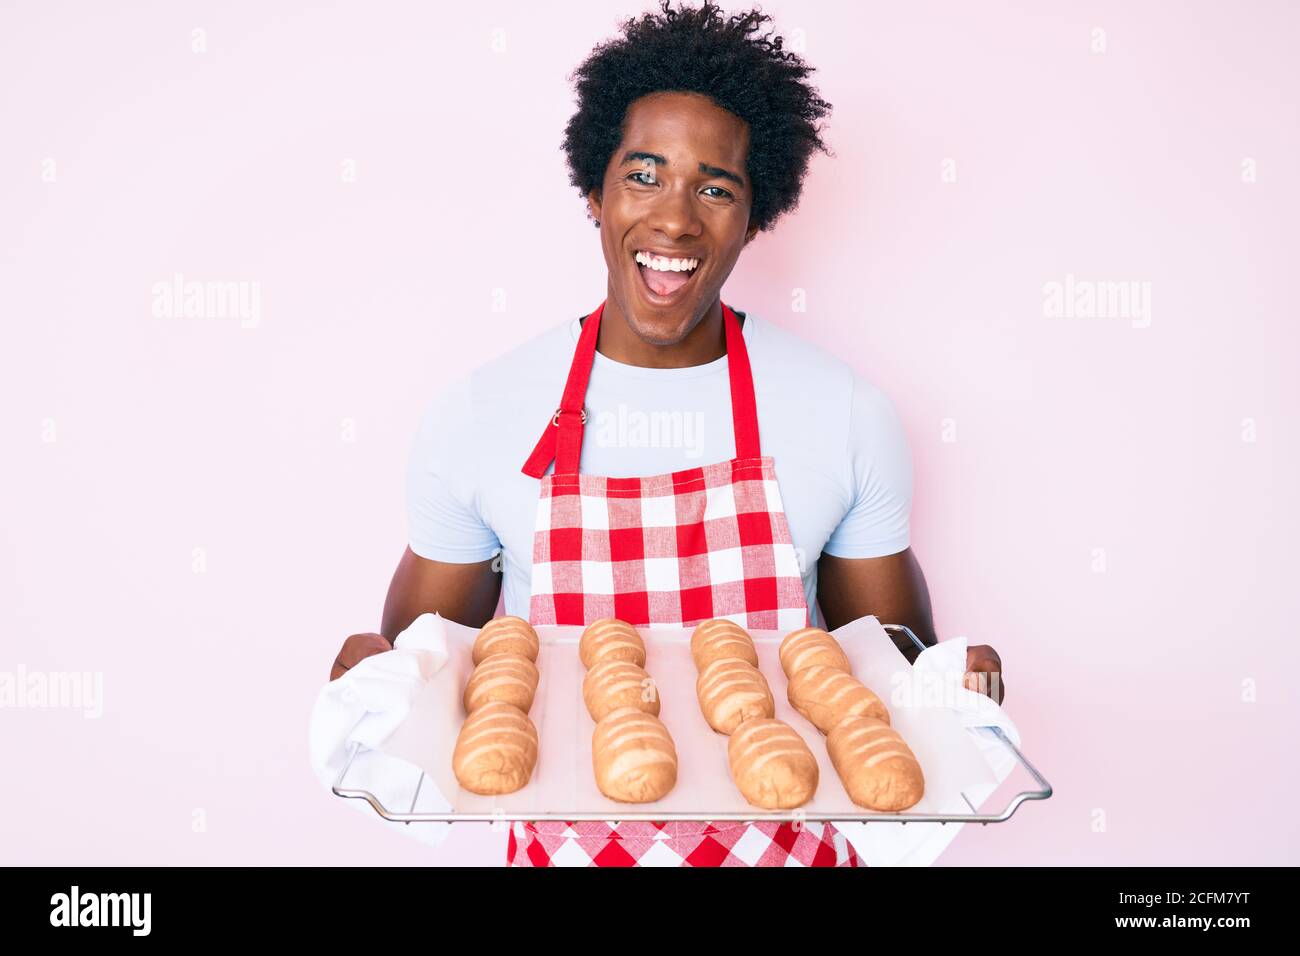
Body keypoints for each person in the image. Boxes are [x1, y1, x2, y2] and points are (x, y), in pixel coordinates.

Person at [329, 0, 1004, 867]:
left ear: (756, 216)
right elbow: (425, 675)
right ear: (594, 191)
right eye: (643, 175)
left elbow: (889, 680)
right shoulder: (479, 413)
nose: (676, 220)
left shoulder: (845, 413)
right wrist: (371, 669)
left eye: (716, 188)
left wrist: (958, 683)